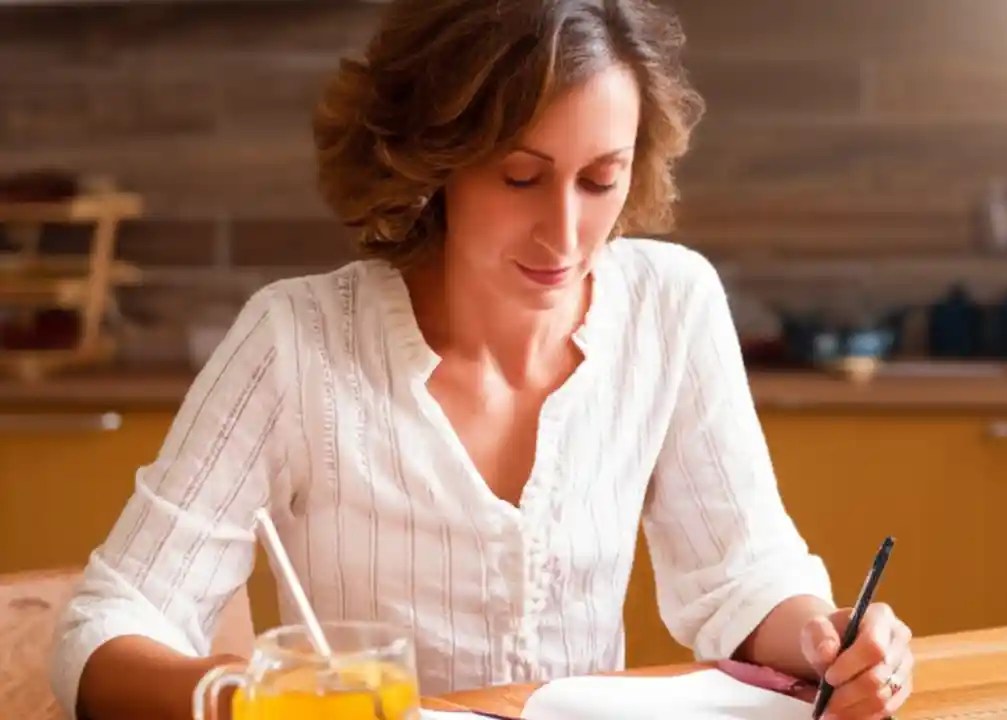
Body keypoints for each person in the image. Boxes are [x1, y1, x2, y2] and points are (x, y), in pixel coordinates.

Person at [50, 1, 915, 718]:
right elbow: (104, 629)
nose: (566, 234)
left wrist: (823, 639)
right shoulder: (296, 343)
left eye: (600, 179)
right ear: (436, 160)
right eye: (518, 177)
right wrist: (253, 700)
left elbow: (743, 573)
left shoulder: (671, 304)